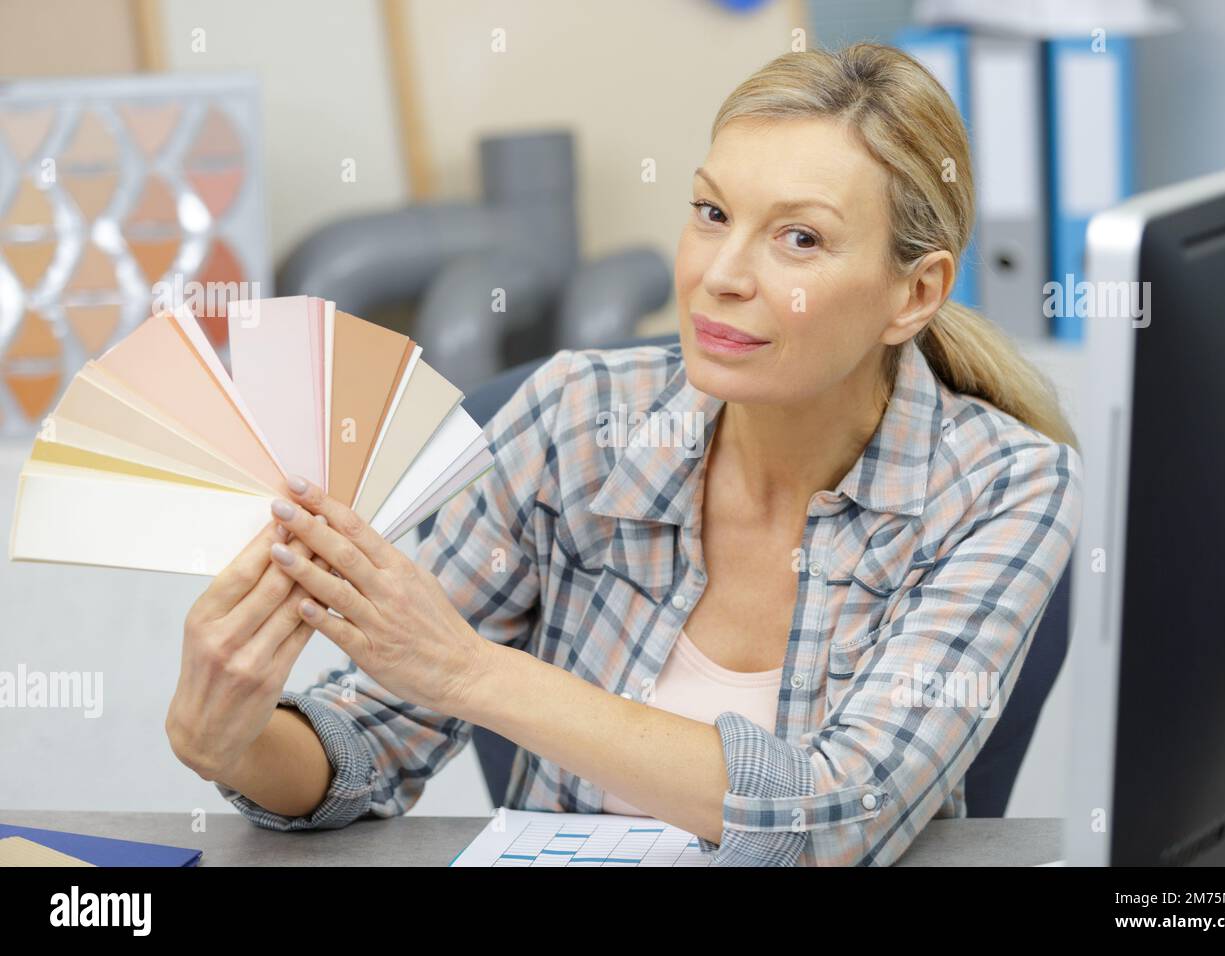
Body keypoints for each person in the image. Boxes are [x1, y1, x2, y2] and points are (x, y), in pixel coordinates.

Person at [166, 41, 1083, 866]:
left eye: (798, 238)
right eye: (711, 212)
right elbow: (369, 743)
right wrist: (235, 739)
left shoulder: (1007, 487)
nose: (721, 275)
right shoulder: (576, 419)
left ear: (913, 293)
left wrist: (471, 673)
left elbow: (839, 817)